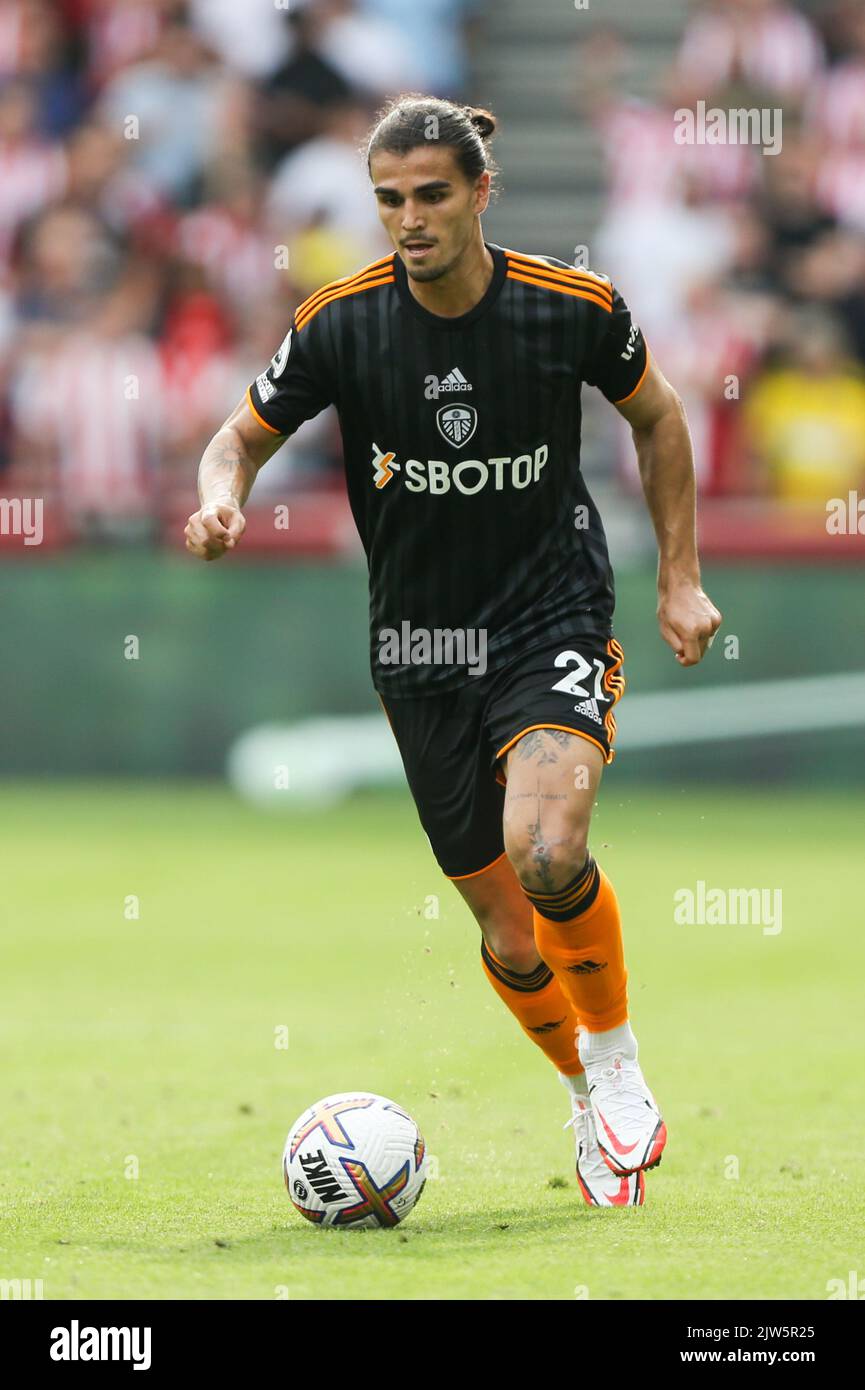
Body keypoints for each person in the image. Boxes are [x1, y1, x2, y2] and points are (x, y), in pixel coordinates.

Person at [185, 96, 722, 1207]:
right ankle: (582, 1094)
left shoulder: (568, 307)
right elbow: (237, 435)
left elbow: (661, 419)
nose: (408, 219)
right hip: (419, 645)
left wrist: (678, 575)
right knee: (510, 930)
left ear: (482, 192)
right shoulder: (340, 321)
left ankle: (616, 1063)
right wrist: (219, 501)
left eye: (431, 194)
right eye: (389, 199)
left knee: (547, 846)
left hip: (550, 617)